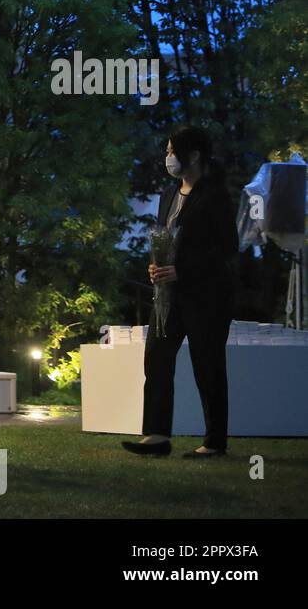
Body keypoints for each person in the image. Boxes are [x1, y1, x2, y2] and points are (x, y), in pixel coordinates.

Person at [123, 125, 237, 459]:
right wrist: (157, 266)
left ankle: (215, 441)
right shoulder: (169, 194)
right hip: (169, 295)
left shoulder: (214, 195)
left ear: (195, 155)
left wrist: (183, 270)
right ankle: (156, 435)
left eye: (173, 151)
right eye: (168, 151)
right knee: (157, 358)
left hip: (206, 296)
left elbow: (227, 248)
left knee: (208, 365)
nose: (168, 157)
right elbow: (166, 236)